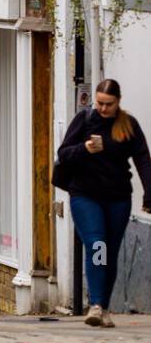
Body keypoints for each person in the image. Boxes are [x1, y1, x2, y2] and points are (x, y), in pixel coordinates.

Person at [55, 78, 151, 328]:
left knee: (110, 253)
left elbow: (143, 159)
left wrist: (149, 193)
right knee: (97, 245)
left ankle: (104, 306)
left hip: (118, 198)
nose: (103, 108)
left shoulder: (128, 125)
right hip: (85, 195)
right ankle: (96, 305)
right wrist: (85, 149)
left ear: (118, 102)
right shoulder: (85, 120)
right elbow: (63, 154)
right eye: (100, 103)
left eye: (108, 104)